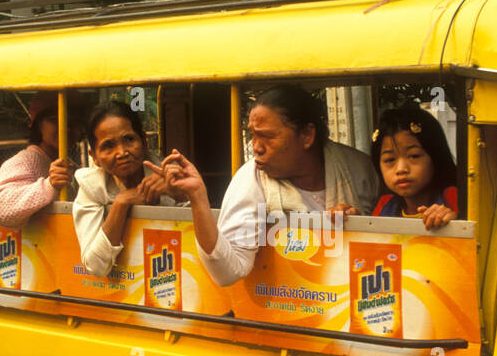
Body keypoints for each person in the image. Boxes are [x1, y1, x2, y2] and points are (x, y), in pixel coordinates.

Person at [152, 84, 378, 286]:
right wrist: (198, 197)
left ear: (307, 135)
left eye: (267, 136)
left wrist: (353, 225)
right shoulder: (251, 179)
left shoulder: (357, 169)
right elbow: (228, 273)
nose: (256, 147)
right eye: (253, 135)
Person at [73, 101, 183, 277]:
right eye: (108, 146)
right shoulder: (91, 187)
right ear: (94, 157)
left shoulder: (170, 173)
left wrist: (178, 193)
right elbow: (95, 267)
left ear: (144, 142)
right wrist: (121, 203)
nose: (122, 152)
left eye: (129, 139)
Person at [0, 93, 81, 228]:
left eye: (74, 122)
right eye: (55, 120)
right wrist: (49, 186)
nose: (66, 127)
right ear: (38, 125)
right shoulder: (25, 160)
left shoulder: (59, 160)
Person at [369, 103, 458, 229]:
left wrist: (454, 222)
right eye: (390, 160)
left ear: (436, 156)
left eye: (414, 156)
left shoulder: (453, 200)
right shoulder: (384, 206)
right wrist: (345, 221)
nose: (401, 169)